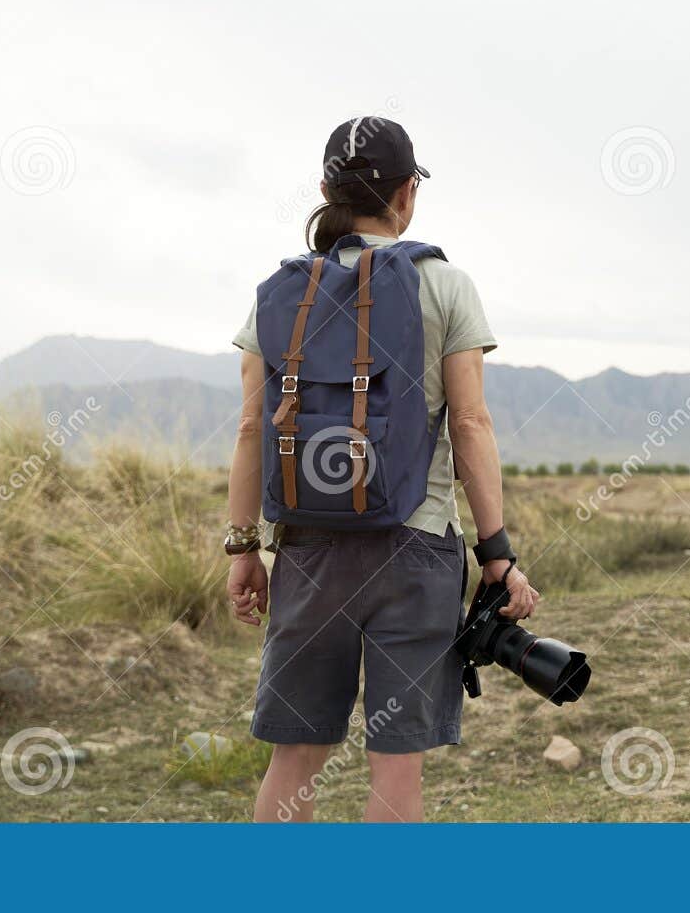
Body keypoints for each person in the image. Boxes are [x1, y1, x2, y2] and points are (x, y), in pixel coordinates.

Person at [224, 117, 539, 822]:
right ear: (407, 195)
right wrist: (498, 556)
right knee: (395, 768)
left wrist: (244, 547)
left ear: (327, 191)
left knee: (296, 756)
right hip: (417, 544)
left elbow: (251, 427)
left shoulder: (278, 294)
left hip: (307, 548)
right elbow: (471, 425)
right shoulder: (446, 284)